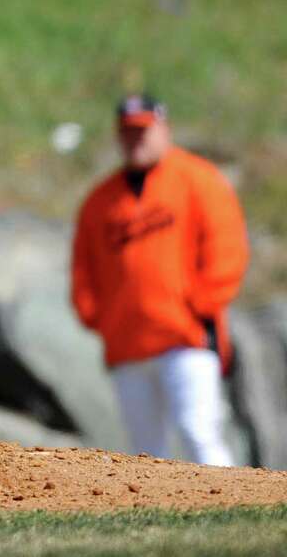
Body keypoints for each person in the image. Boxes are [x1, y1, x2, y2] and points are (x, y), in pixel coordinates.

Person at [71, 93, 248, 466]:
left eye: (144, 131)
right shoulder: (100, 201)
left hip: (186, 338)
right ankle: (159, 525)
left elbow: (227, 248)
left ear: (164, 130)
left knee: (198, 431)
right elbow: (82, 269)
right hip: (127, 346)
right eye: (128, 133)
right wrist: (100, 318)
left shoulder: (197, 179)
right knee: (145, 454)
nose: (136, 140)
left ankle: (233, 510)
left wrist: (199, 303)